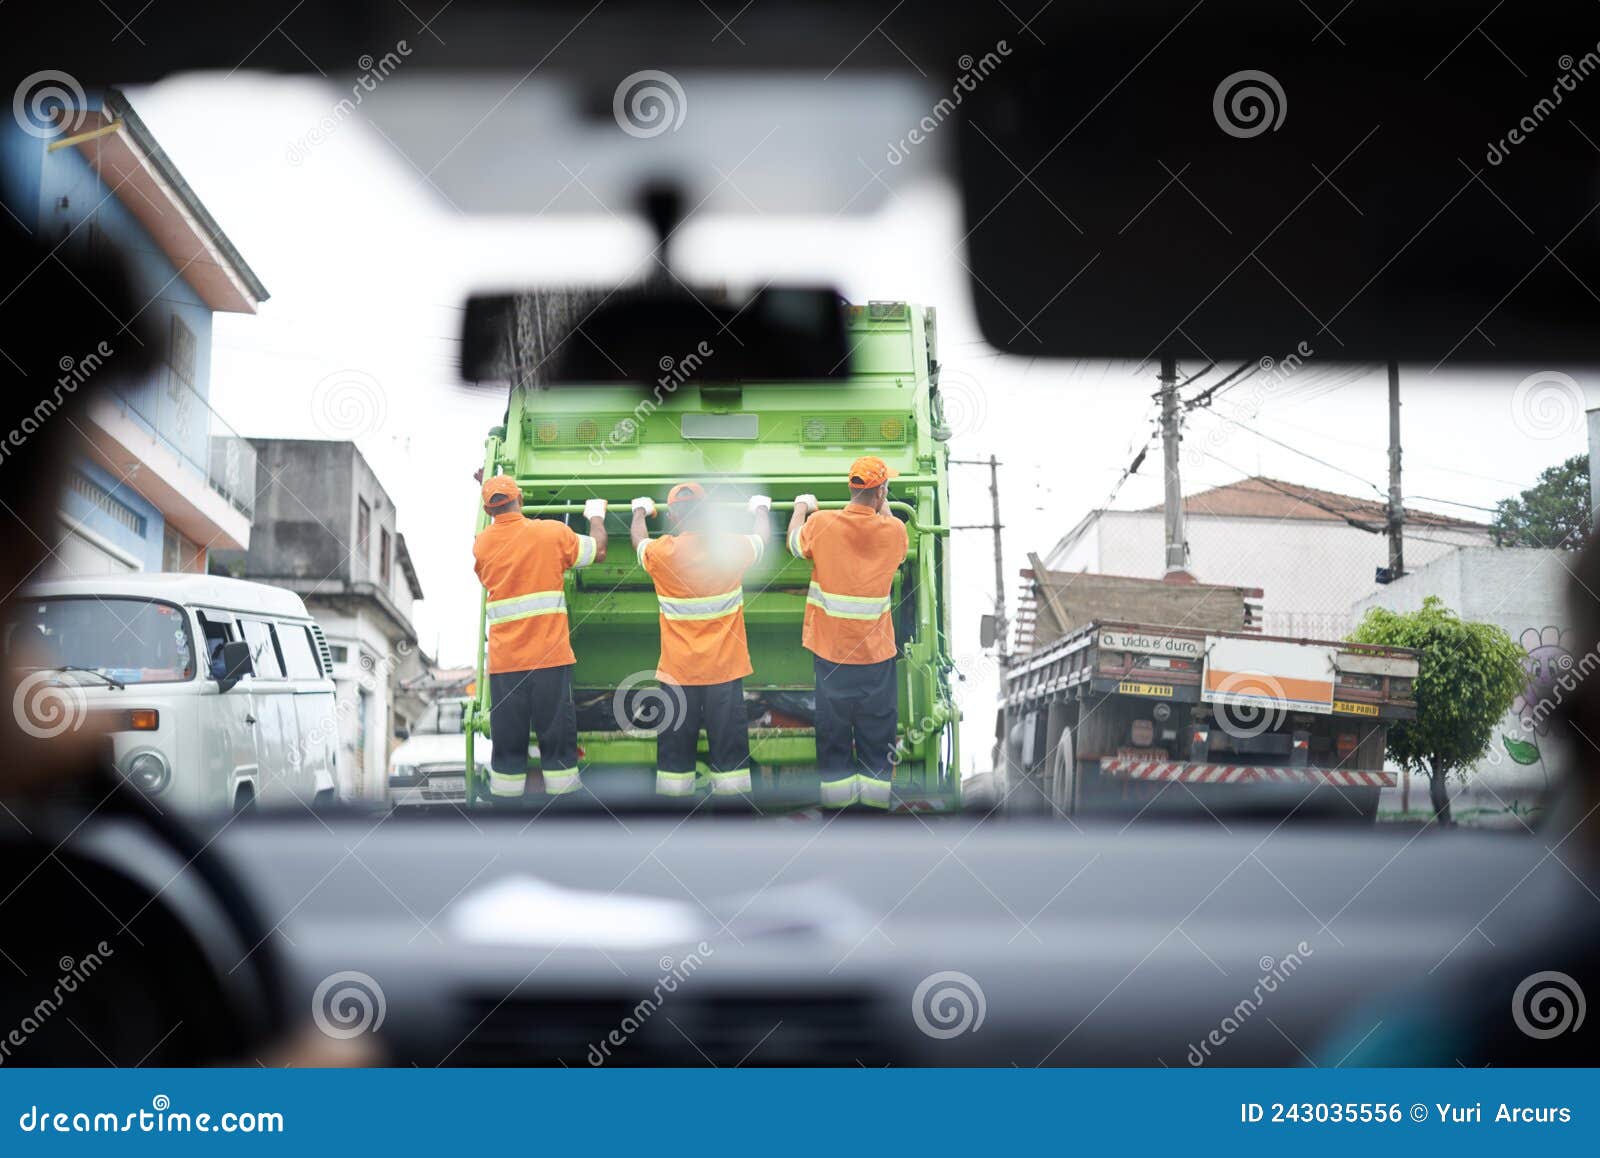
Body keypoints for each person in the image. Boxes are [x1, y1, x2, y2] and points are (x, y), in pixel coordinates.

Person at [472, 475, 607, 802]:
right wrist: (596, 515)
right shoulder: (551, 533)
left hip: (505, 666)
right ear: (520, 498)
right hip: (550, 659)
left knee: (507, 747)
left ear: (487, 510)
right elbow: (599, 551)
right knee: (557, 741)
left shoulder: (482, 544)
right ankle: (564, 809)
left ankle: (506, 812)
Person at [631, 483, 770, 798]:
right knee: (731, 756)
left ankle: (674, 813)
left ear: (672, 516)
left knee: (674, 757)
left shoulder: (662, 552)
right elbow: (761, 539)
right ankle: (733, 814)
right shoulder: (728, 548)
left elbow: (639, 542)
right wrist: (760, 508)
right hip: (724, 672)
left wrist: (639, 511)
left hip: (678, 673)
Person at [786, 456, 909, 810]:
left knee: (834, 735)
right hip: (876, 658)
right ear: (881, 492)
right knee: (878, 738)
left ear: (851, 487)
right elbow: (890, 529)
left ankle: (837, 815)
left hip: (831, 655)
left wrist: (801, 506)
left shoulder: (821, 523)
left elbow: (793, 542)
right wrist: (882, 502)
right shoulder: (894, 532)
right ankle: (873, 816)